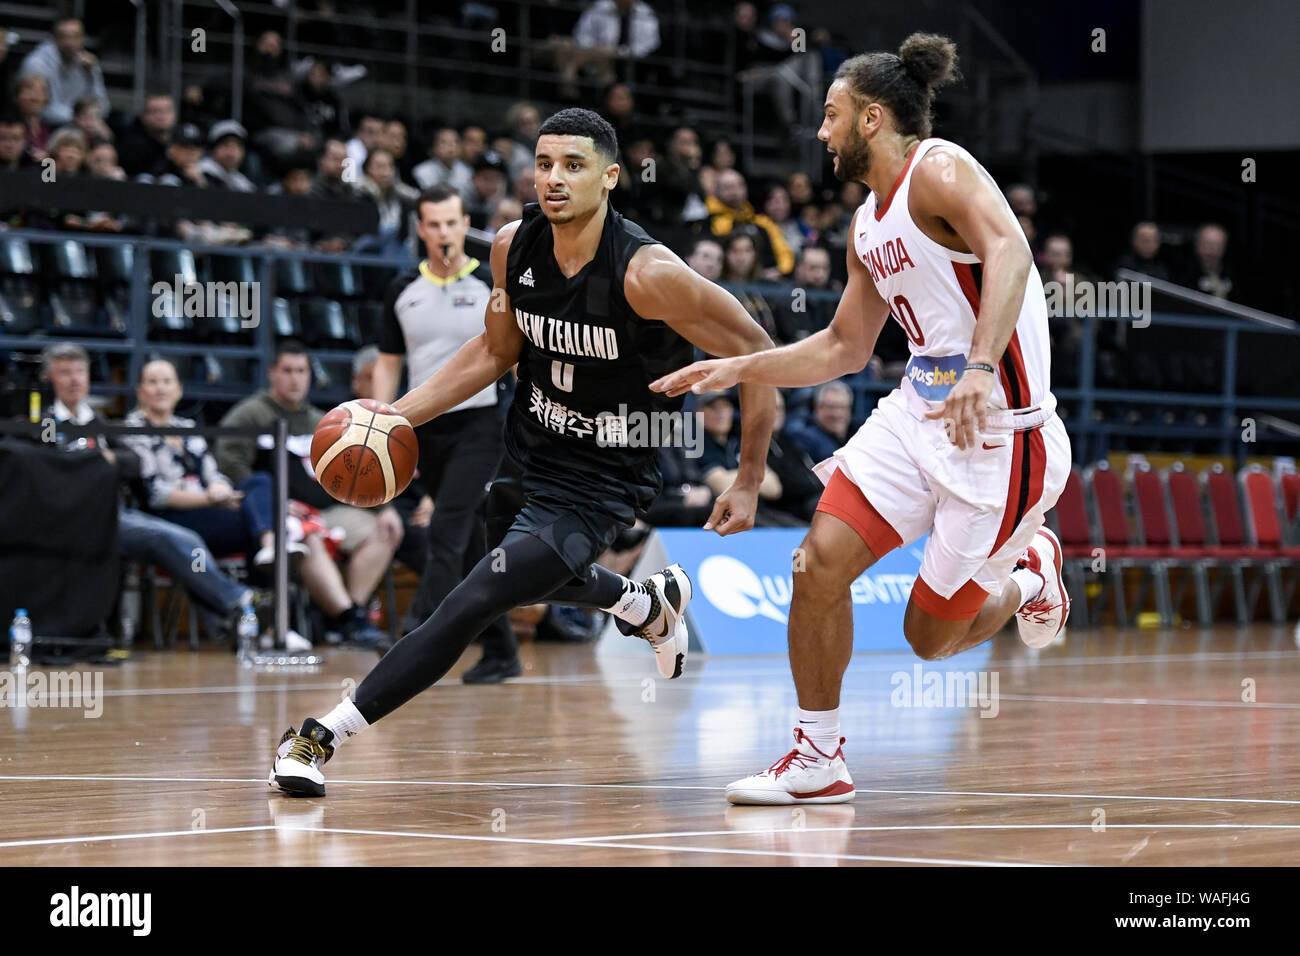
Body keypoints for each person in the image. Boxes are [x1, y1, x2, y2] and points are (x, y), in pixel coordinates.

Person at [268, 107, 776, 796]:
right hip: (531, 445)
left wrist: (748, 479)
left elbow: (759, 354)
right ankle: (644, 606)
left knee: (472, 597)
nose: (554, 179)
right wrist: (390, 419)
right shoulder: (512, 246)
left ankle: (318, 737)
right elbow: (494, 350)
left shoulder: (649, 273)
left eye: (573, 165)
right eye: (543, 164)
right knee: (521, 572)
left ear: (611, 177)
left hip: (604, 472)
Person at [652, 34, 1072, 804]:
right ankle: (819, 757)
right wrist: (743, 366)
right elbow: (845, 348)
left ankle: (1030, 576)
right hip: (914, 418)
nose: (820, 131)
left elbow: (1010, 251)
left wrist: (980, 364)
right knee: (815, 565)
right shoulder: (866, 226)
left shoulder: (938, 169)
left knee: (929, 639)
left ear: (872, 119)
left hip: (1001, 439)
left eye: (831, 114)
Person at [370, 183, 517, 682]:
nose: (443, 233)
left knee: (447, 528)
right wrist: (378, 416)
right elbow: (389, 365)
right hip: (423, 427)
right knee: (473, 544)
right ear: (420, 229)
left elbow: (515, 358)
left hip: (481, 424)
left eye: (451, 223)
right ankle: (502, 650)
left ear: (463, 224)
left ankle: (415, 641)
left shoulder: (492, 287)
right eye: (433, 224)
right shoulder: (402, 289)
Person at [40, 344, 257, 640]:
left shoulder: (100, 422)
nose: (75, 380)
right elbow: (47, 465)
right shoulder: (45, 423)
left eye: (80, 372)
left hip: (113, 512)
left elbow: (133, 464)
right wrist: (95, 460)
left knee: (190, 539)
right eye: (65, 373)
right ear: (49, 378)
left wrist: (104, 460)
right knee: (169, 537)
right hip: (73, 518)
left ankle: (230, 623)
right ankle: (240, 603)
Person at [217, 340, 396, 648]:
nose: (295, 378)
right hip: (284, 513)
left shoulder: (320, 420)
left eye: (301, 371)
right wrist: (277, 504)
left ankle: (345, 616)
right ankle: (348, 618)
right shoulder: (249, 415)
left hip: (329, 508)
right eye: (287, 370)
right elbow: (231, 464)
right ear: (272, 372)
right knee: (306, 534)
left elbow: (351, 469)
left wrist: (385, 507)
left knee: (387, 529)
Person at [18, 17, 108, 127]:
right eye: (64, 37)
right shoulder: (37, 63)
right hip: (44, 124)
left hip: (80, 122)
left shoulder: (87, 63)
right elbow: (40, 109)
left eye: (75, 37)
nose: (69, 43)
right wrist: (80, 118)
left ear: (83, 38)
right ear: (54, 39)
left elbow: (103, 108)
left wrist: (92, 76)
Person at [708, 169, 795, 277]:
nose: (735, 191)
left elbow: (784, 253)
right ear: (716, 191)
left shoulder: (762, 222)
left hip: (763, 284)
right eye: (728, 187)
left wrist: (779, 271)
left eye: (739, 186)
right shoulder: (708, 222)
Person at [114, 91, 175, 177]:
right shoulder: (131, 144)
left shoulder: (183, 140)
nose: (161, 116)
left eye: (167, 111)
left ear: (174, 114)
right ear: (143, 116)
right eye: (155, 111)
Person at [411, 126, 473, 194]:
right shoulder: (421, 171)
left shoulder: (466, 171)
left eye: (456, 141)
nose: (451, 146)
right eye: (444, 142)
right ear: (433, 148)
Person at [199, 120, 257, 192]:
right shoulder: (201, 173)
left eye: (237, 147)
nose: (231, 152)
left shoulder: (243, 184)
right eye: (226, 145)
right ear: (214, 149)